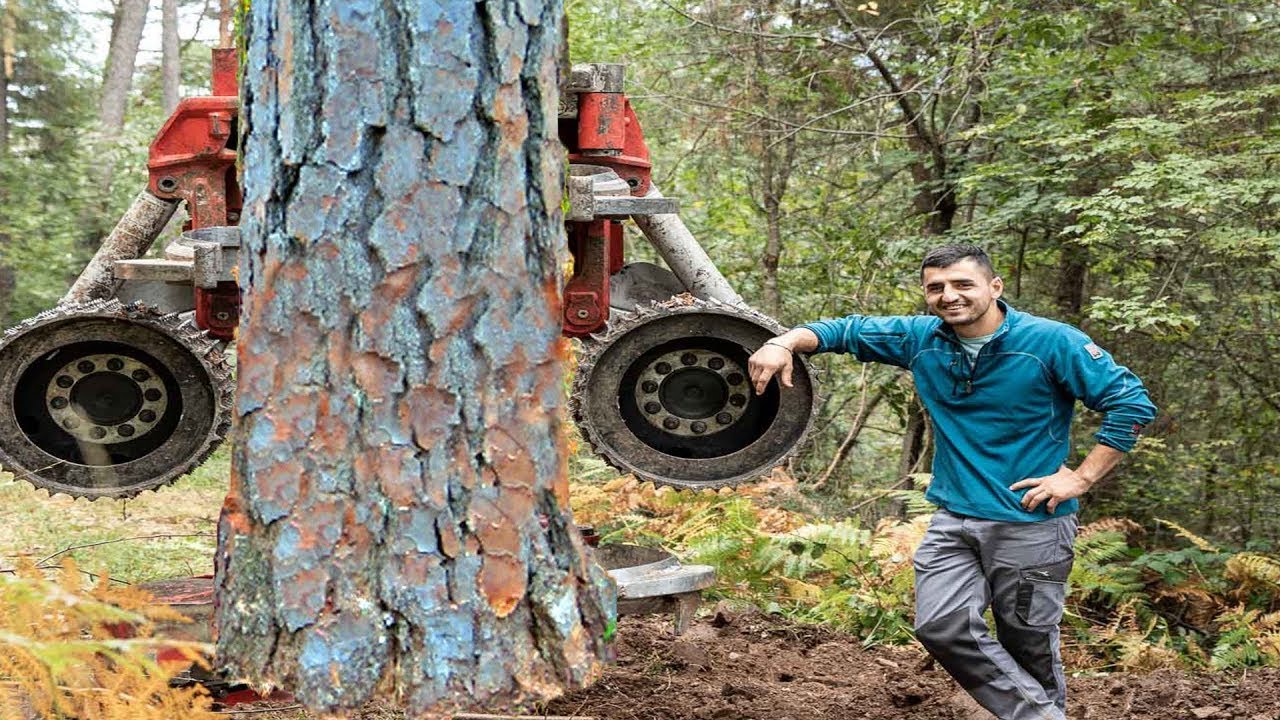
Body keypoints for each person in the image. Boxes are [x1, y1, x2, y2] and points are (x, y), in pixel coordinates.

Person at [747, 244, 1157, 720]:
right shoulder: (922, 338)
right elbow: (844, 330)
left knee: (1028, 646)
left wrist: (1081, 478)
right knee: (941, 625)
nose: (949, 296)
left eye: (963, 284)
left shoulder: (1051, 343)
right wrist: (782, 343)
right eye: (936, 287)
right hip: (953, 520)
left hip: (1030, 524)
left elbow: (1131, 404)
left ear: (994, 287)